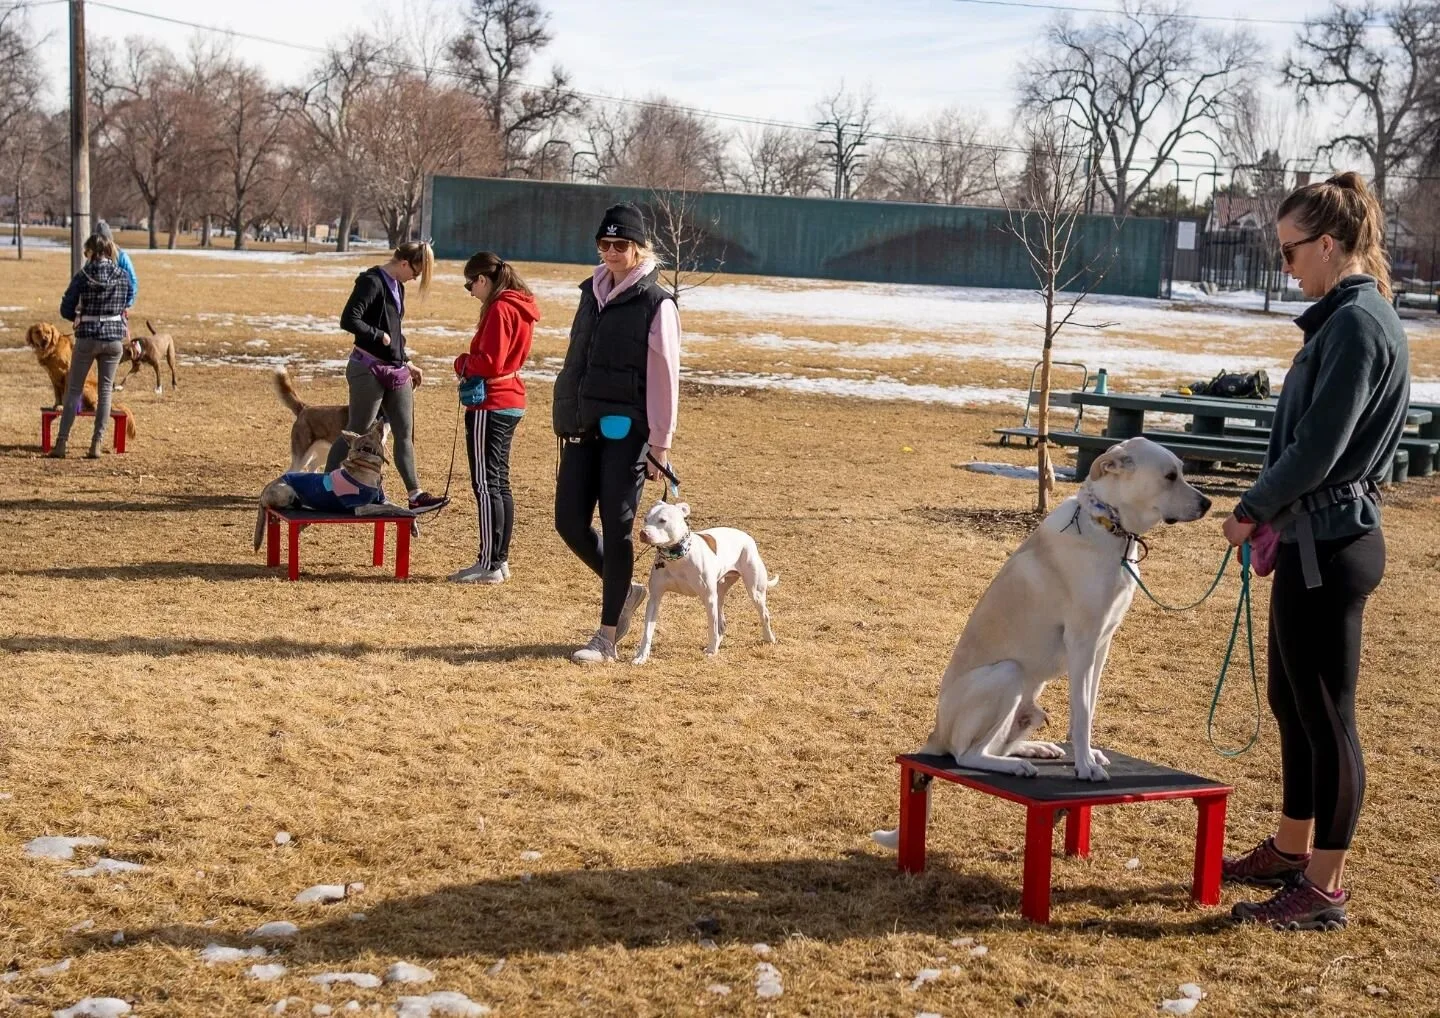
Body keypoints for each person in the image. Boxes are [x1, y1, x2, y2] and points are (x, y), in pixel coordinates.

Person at [1220, 171, 1410, 931]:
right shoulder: (1342, 320)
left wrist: (1250, 508)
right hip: (1310, 543)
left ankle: (1324, 888)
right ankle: (1294, 847)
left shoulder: (1359, 323)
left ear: (1328, 243)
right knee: (1292, 705)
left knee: (1329, 720)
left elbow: (1321, 449)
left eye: (1291, 251)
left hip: (1333, 547)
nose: (1286, 266)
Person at [553, 203, 681, 664]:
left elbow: (666, 376)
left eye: (620, 245)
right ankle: (626, 589)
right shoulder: (590, 291)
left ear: (638, 248)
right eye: (604, 244)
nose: (610, 252)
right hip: (583, 425)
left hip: (628, 432)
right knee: (568, 522)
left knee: (618, 526)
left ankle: (605, 638)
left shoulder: (656, 303)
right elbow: (577, 358)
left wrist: (659, 444)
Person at [327, 241, 447, 512]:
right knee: (357, 429)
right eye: (416, 271)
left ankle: (416, 495)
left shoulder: (398, 286)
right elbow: (349, 319)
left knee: (404, 431)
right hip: (366, 367)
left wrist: (407, 361)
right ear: (404, 263)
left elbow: (395, 329)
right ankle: (326, 486)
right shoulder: (371, 282)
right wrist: (376, 335)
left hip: (395, 368)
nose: (416, 278)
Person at [448, 252, 540, 584]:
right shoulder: (520, 305)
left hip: (492, 401)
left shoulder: (500, 308)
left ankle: (488, 563)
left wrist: (462, 363)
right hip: (510, 397)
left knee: (486, 485)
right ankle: (499, 561)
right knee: (499, 483)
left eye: (469, 284)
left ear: (483, 280)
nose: (470, 291)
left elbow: (489, 362)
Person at [51, 233, 135, 459]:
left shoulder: (83, 275)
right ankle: (96, 444)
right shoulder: (123, 274)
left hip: (87, 338)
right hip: (113, 342)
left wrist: (78, 316)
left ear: (90, 251)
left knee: (74, 390)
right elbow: (128, 299)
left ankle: (61, 444)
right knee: (105, 391)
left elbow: (66, 307)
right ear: (109, 250)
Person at [94, 220, 139, 358]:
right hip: (98, 309)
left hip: (117, 308)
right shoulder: (94, 257)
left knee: (115, 344)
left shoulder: (122, 257)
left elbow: (133, 281)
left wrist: (127, 304)